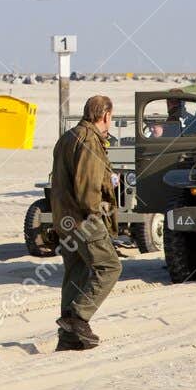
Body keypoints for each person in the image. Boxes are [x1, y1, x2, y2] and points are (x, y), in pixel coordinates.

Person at [48, 95, 121, 352]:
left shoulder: (68, 136)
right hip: (82, 219)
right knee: (109, 266)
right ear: (105, 116)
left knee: (76, 274)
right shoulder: (89, 139)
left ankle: (68, 338)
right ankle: (77, 318)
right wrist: (94, 214)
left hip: (64, 219)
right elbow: (87, 186)